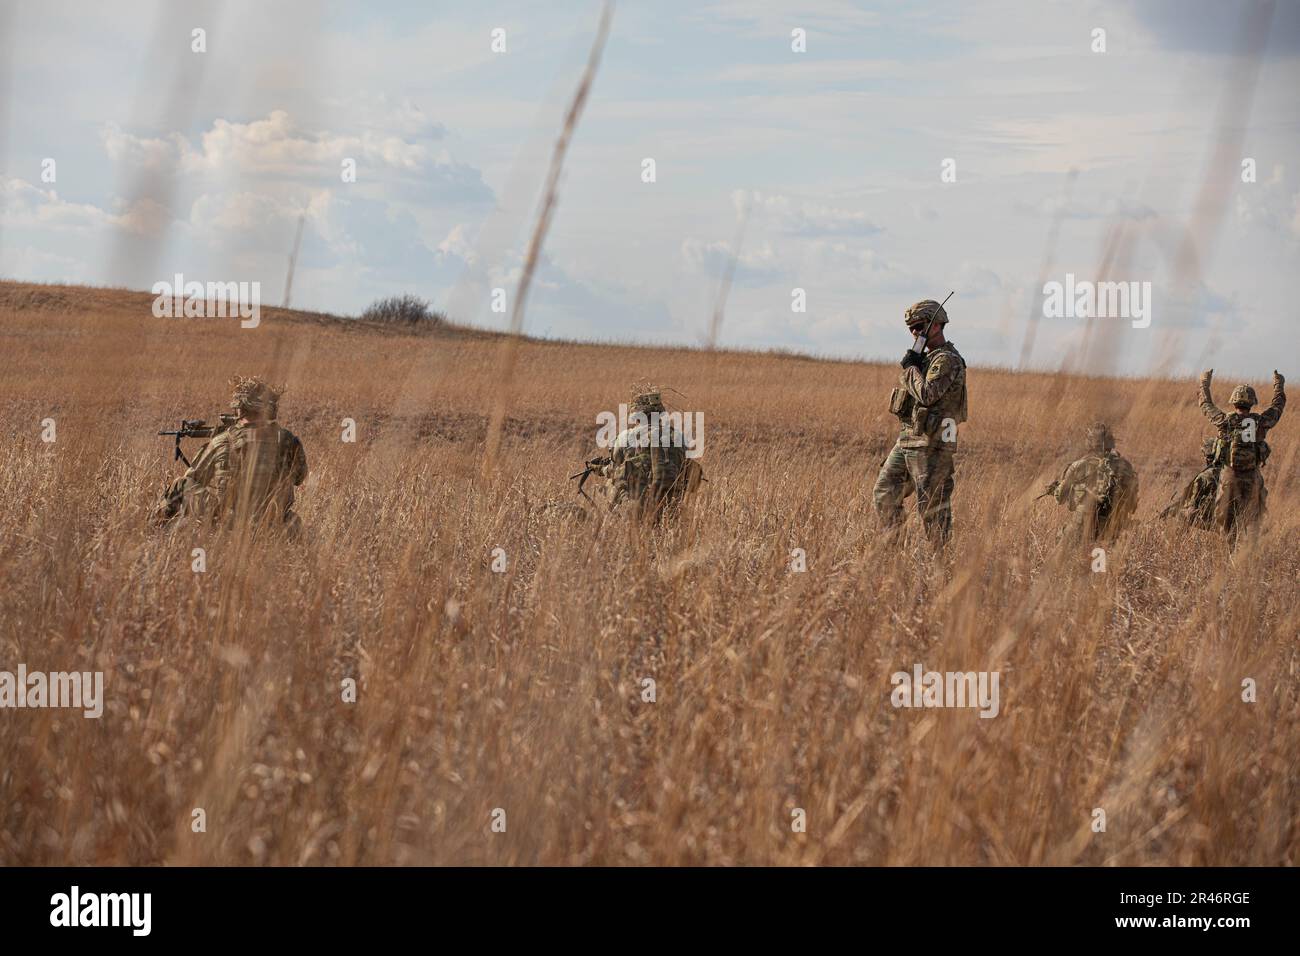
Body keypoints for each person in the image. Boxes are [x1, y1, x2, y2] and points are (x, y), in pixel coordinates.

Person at [155, 376, 308, 534]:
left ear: (239, 407)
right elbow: (299, 478)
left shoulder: (223, 440)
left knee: (180, 484)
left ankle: (153, 531)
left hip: (230, 523)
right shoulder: (288, 440)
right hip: (276, 520)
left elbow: (194, 478)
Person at [872, 298, 968, 545]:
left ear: (936, 325)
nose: (915, 332)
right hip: (909, 440)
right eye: (911, 328)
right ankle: (892, 553)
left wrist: (910, 368)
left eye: (919, 325)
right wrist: (914, 364)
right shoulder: (924, 359)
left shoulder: (947, 359)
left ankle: (941, 566)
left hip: (932, 444)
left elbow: (927, 394)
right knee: (884, 492)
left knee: (932, 508)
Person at [1198, 369, 1285, 537]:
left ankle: (1230, 553)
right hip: (1253, 478)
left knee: (1227, 525)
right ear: (1252, 403)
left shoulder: (1224, 421)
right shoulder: (1260, 422)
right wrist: (1278, 384)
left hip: (1229, 478)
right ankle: (1250, 553)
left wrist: (1204, 383)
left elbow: (1206, 405)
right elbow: (1277, 407)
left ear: (1233, 402)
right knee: (1254, 522)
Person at [1042, 422, 1139, 543]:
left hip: (1082, 528)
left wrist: (1054, 490)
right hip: (1114, 529)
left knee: (1061, 539)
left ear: (1090, 443)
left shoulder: (1078, 466)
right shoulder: (1125, 466)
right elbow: (1132, 503)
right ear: (1112, 442)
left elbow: (1060, 498)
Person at [1159, 437, 1220, 529]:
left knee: (1181, 515)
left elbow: (1193, 504)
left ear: (1207, 456)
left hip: (1216, 520)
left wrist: (1172, 510)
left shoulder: (1205, 476)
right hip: (1234, 519)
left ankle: (1178, 541)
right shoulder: (1230, 472)